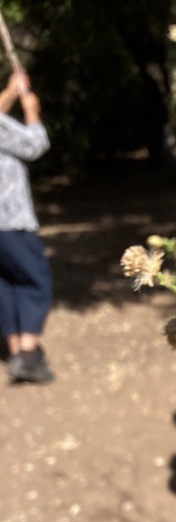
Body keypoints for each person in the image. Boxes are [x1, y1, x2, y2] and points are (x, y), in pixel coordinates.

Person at [0, 68, 54, 384]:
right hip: (11, 220)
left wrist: (11, 90)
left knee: (6, 283)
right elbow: (35, 145)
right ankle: (29, 353)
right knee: (36, 281)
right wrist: (32, 112)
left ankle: (15, 349)